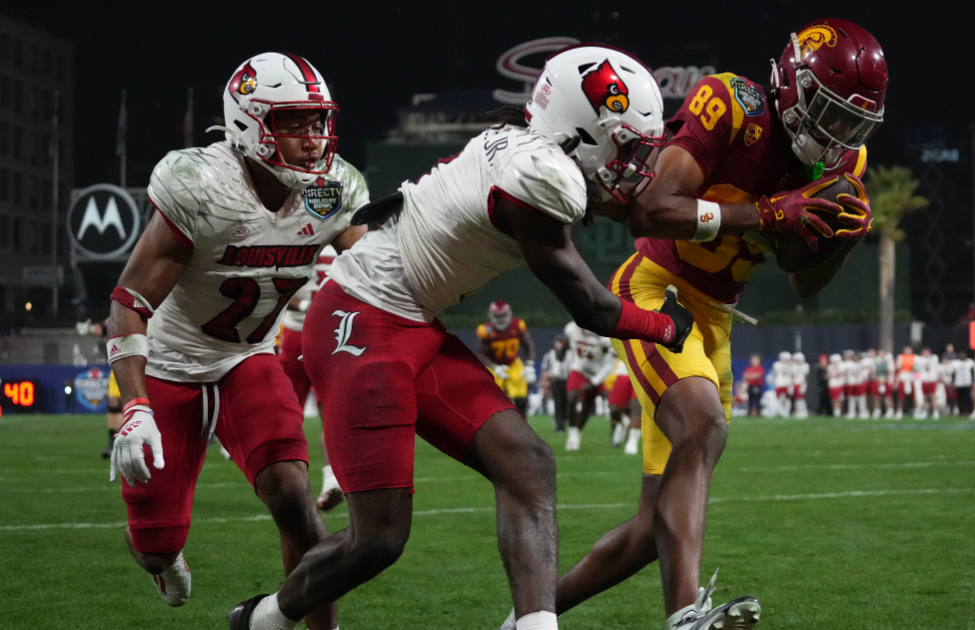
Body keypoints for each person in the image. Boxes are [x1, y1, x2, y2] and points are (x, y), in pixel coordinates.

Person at [229, 45, 696, 630]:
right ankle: (262, 620)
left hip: (411, 322)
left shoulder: (525, 147)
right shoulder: (542, 174)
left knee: (528, 464)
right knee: (379, 538)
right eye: (627, 145)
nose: (634, 163)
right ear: (584, 130)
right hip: (363, 320)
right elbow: (593, 308)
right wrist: (666, 326)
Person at [534, 19, 884, 630]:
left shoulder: (842, 157)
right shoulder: (733, 103)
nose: (840, 136)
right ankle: (686, 617)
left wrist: (841, 240)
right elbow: (650, 210)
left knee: (650, 530)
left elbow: (803, 281)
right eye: (830, 114)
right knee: (703, 422)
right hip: (655, 291)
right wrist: (770, 212)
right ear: (793, 87)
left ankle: (527, 617)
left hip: (716, 322)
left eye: (853, 123)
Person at [105, 53, 363, 630]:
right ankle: (158, 555)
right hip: (169, 363)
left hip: (248, 356)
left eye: (318, 120)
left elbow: (376, 267)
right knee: (154, 543)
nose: (313, 137)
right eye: (294, 121)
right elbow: (128, 301)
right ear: (250, 123)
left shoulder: (334, 188)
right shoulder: (202, 185)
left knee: (294, 497)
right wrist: (134, 403)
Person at [277, 245, 343, 510]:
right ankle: (329, 480)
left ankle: (295, 489)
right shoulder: (340, 245)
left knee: (287, 417)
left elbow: (277, 290)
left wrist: (306, 305)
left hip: (299, 336)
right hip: (326, 336)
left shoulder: (294, 242)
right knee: (326, 413)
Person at [563, 322, 618, 451]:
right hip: (580, 368)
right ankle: (572, 433)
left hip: (598, 373)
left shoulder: (604, 339)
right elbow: (581, 349)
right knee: (571, 398)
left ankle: (578, 432)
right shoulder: (571, 329)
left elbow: (610, 365)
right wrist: (562, 351)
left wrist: (594, 382)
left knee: (587, 405)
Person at [478, 302, 538, 418]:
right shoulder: (486, 330)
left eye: (502, 315)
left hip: (513, 364)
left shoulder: (518, 325)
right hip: (494, 366)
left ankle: (523, 427)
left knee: (522, 400)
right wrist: (495, 367)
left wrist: (530, 365)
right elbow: (481, 353)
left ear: (509, 314)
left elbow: (529, 346)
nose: (500, 319)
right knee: (493, 401)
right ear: (491, 316)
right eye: (497, 316)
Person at [541, 336, 571, 432]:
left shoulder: (570, 354)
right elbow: (545, 369)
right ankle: (559, 425)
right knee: (558, 403)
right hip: (555, 381)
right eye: (558, 342)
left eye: (561, 343)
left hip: (567, 380)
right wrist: (544, 382)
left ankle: (564, 421)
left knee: (566, 403)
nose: (559, 345)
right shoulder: (550, 355)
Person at [914, 348, 939, 419]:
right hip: (924, 380)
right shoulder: (920, 359)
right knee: (924, 397)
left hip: (932, 380)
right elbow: (916, 367)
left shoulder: (934, 358)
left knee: (933, 396)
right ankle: (924, 412)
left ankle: (935, 412)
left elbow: (936, 367)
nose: (926, 354)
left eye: (927, 352)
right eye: (924, 352)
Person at [895, 345, 916, 417]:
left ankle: (916, 410)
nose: (908, 351)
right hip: (903, 376)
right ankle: (899, 410)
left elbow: (915, 368)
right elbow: (899, 368)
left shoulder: (915, 357)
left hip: (912, 377)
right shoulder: (901, 357)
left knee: (914, 395)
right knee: (901, 396)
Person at [772, 351, 794, 418]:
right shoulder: (777, 364)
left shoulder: (791, 365)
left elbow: (792, 375)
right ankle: (779, 412)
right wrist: (775, 383)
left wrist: (791, 385)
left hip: (787, 384)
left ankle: (786, 413)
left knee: (787, 399)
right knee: (778, 399)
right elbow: (775, 375)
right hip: (779, 383)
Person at [952, 351, 975, 417]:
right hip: (959, 383)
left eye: (963, 354)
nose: (962, 356)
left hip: (967, 382)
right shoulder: (956, 363)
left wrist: (973, 381)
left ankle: (968, 411)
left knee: (968, 398)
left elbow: (973, 372)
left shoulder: (970, 362)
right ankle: (961, 411)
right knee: (960, 398)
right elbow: (953, 373)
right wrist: (953, 381)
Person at [828, 353, 846, 418]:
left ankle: (839, 411)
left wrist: (834, 373)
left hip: (839, 384)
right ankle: (835, 411)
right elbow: (828, 376)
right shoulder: (830, 366)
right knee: (833, 399)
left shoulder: (842, 365)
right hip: (832, 385)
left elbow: (840, 374)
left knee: (839, 399)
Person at [792, 352, 810, 419]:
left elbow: (805, 376)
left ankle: (803, 412)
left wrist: (804, 385)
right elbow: (792, 376)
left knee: (800, 399)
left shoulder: (805, 365)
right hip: (795, 383)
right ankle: (799, 412)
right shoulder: (793, 366)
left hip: (801, 383)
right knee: (797, 399)